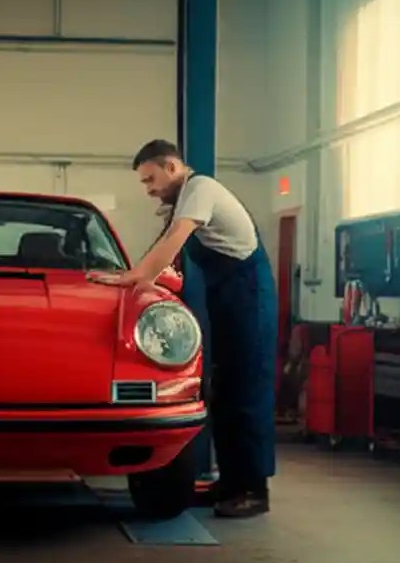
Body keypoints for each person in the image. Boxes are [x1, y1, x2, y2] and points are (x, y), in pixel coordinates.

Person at [90, 139, 277, 518]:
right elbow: (165, 246)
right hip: (227, 299)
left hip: (249, 297)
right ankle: (231, 483)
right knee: (223, 393)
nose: (149, 189)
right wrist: (140, 276)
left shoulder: (201, 190)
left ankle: (254, 491)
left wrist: (134, 277)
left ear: (171, 167)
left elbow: (175, 240)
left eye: (150, 179)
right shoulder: (183, 199)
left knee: (247, 392)